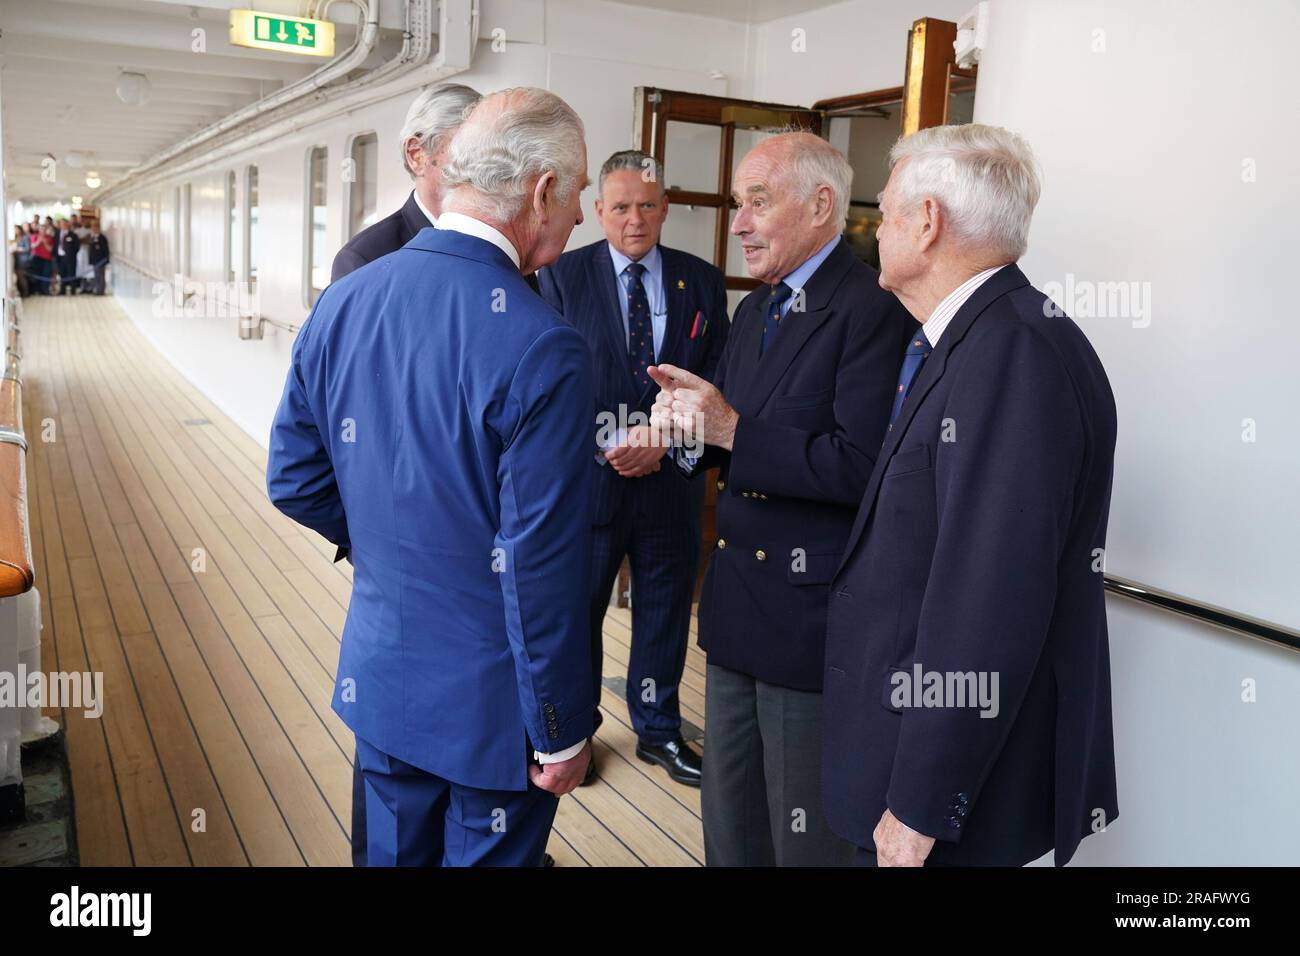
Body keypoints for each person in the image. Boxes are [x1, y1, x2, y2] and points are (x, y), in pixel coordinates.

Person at [268, 87, 595, 867]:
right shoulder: (542, 343)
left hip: (383, 678)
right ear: (543, 189)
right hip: (493, 707)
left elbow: (293, 478)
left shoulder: (345, 300)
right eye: (579, 192)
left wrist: (393, 545)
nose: (581, 216)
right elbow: (539, 566)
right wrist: (562, 727)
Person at [822, 124, 1119, 867]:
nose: (874, 229)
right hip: (903, 755)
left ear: (927, 223)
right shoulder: (978, 336)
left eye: (883, 212)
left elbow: (990, 598)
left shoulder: (1011, 353)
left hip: (944, 802)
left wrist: (924, 805)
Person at [648, 131, 913, 866]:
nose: (737, 224)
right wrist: (686, 431)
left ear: (821, 204)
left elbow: (864, 469)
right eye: (737, 204)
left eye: (757, 203)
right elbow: (736, 440)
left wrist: (729, 426)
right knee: (730, 827)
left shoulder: (872, 312)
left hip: (809, 626)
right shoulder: (758, 311)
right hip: (734, 611)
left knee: (801, 840)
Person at [538, 150, 729, 788]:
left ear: (665, 208)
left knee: (666, 607)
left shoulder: (701, 280)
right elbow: (550, 383)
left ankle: (659, 730)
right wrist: (615, 444)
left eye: (648, 205)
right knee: (580, 609)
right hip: (591, 482)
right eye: (620, 206)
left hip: (672, 481)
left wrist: (665, 440)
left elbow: (716, 377)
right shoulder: (560, 275)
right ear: (598, 212)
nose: (635, 218)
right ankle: (577, 733)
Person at [330, 83, 481, 282]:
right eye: (468, 152)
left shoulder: (504, 243)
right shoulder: (364, 259)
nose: (485, 167)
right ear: (417, 155)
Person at [55, 218, 80, 294]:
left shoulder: (73, 235)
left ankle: (73, 290)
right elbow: (55, 244)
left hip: (70, 258)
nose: (62, 225)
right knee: (62, 273)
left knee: (71, 273)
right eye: (61, 223)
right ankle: (62, 290)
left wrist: (71, 254)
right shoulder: (57, 234)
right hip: (60, 257)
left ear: (67, 224)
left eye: (64, 223)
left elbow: (77, 247)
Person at [28, 224, 55, 295]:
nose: (42, 230)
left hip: (47, 259)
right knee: (37, 275)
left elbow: (50, 250)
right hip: (37, 259)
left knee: (46, 275)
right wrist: (39, 241)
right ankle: (38, 290)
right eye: (41, 229)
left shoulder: (49, 237)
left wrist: (45, 242)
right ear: (39, 229)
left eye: (44, 229)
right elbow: (32, 246)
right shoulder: (34, 236)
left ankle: (45, 290)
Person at [87, 223, 110, 295]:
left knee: (101, 276)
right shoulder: (93, 238)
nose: (93, 229)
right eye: (92, 228)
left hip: (100, 260)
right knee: (96, 276)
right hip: (94, 261)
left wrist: (105, 260)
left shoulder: (102, 238)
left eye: (95, 228)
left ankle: (101, 290)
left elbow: (105, 250)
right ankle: (97, 289)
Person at [11, 226, 31, 297]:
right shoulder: (15, 238)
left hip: (23, 260)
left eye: (17, 229)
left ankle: (26, 292)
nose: (16, 231)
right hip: (17, 260)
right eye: (15, 229)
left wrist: (18, 249)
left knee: (22, 277)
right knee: (19, 277)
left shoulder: (24, 237)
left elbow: (27, 248)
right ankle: (23, 292)